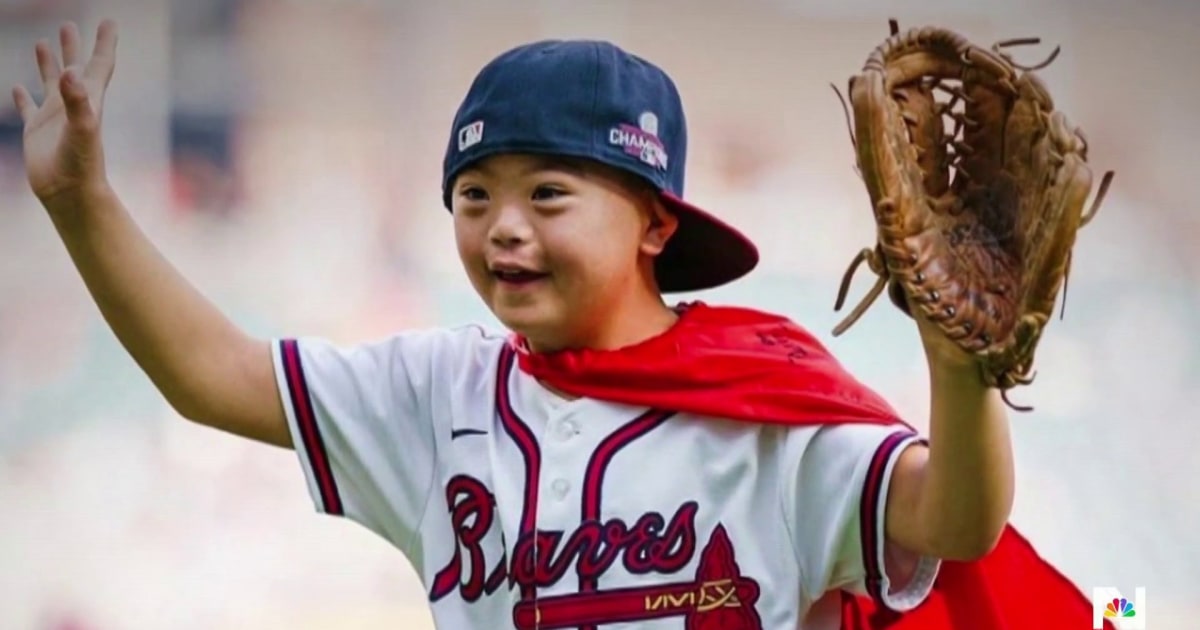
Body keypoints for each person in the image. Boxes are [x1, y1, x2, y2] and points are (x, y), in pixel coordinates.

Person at [11, 19, 1107, 630]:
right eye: (475, 194)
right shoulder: (435, 395)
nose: (502, 228)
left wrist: (959, 373)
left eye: (547, 194)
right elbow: (213, 375)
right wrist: (81, 203)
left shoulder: (768, 409)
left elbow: (957, 523)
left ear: (654, 221)